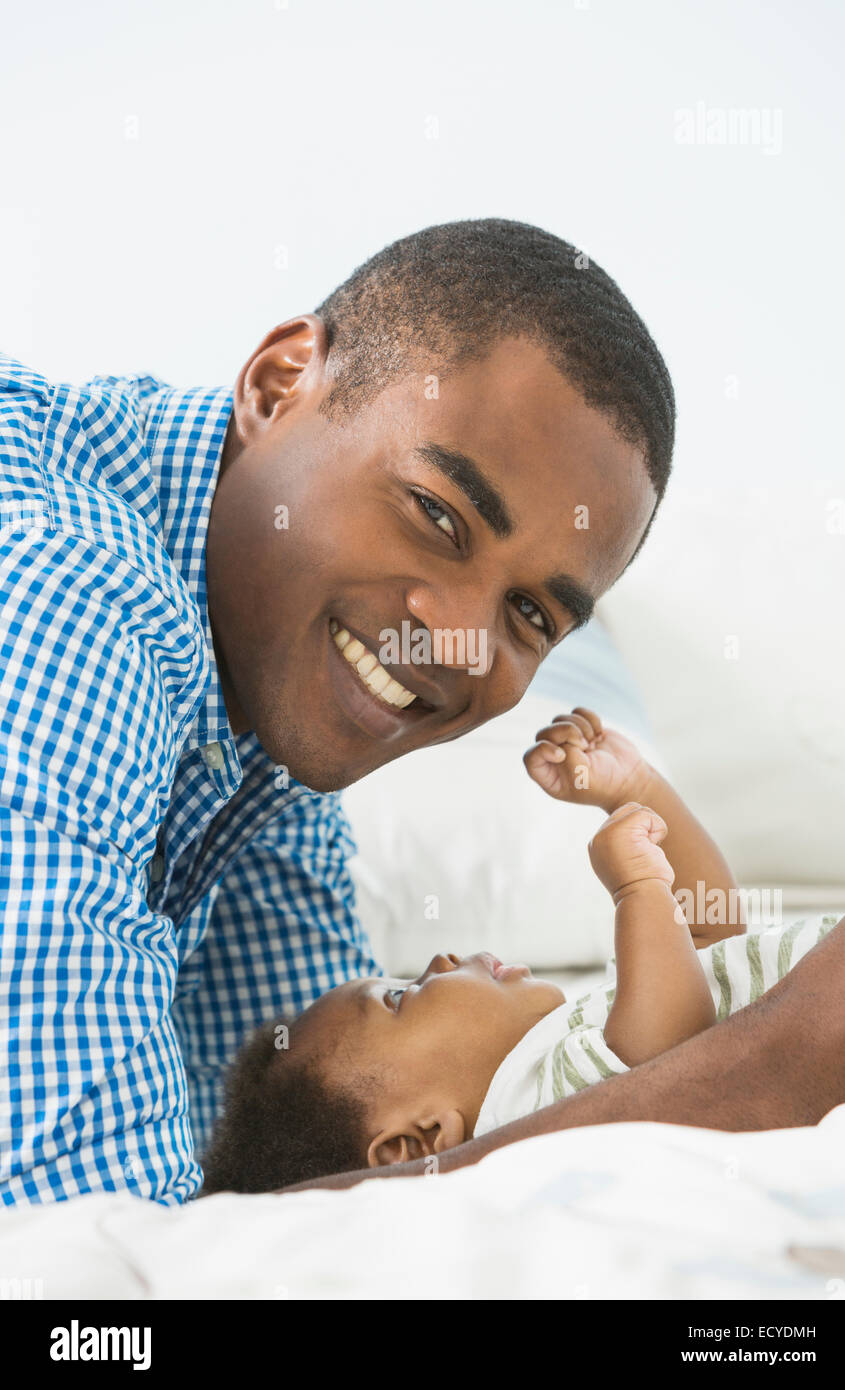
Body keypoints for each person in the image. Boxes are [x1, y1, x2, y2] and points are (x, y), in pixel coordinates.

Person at [0, 218, 675, 1205]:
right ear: (279, 386)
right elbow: (82, 1255)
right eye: (436, 513)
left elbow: (313, 1154)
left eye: (529, 613)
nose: (452, 643)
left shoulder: (275, 726)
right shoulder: (74, 596)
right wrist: (767, 1063)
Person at [199, 707, 842, 1194]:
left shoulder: (562, 1052)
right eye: (398, 997)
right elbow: (676, 1055)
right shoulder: (535, 1108)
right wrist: (638, 888)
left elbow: (714, 940)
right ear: (417, 1142)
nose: (441, 960)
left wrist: (640, 791)